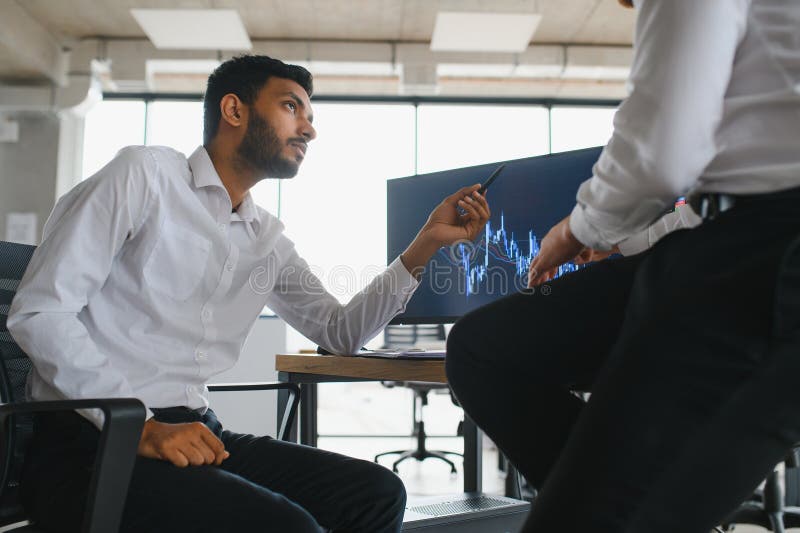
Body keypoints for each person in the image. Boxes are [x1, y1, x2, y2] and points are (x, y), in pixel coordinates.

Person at [7, 55, 491, 533]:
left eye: (309, 115)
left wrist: (425, 243)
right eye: (291, 107)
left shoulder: (266, 238)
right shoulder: (143, 176)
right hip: (95, 443)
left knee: (376, 493)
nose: (309, 129)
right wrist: (144, 428)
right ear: (234, 110)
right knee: (286, 526)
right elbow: (40, 312)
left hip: (195, 433)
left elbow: (339, 332)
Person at [445, 1, 800, 532]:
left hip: (764, 252)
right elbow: (691, 199)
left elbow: (660, 152)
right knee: (484, 348)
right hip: (734, 238)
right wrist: (610, 234)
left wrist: (576, 230)